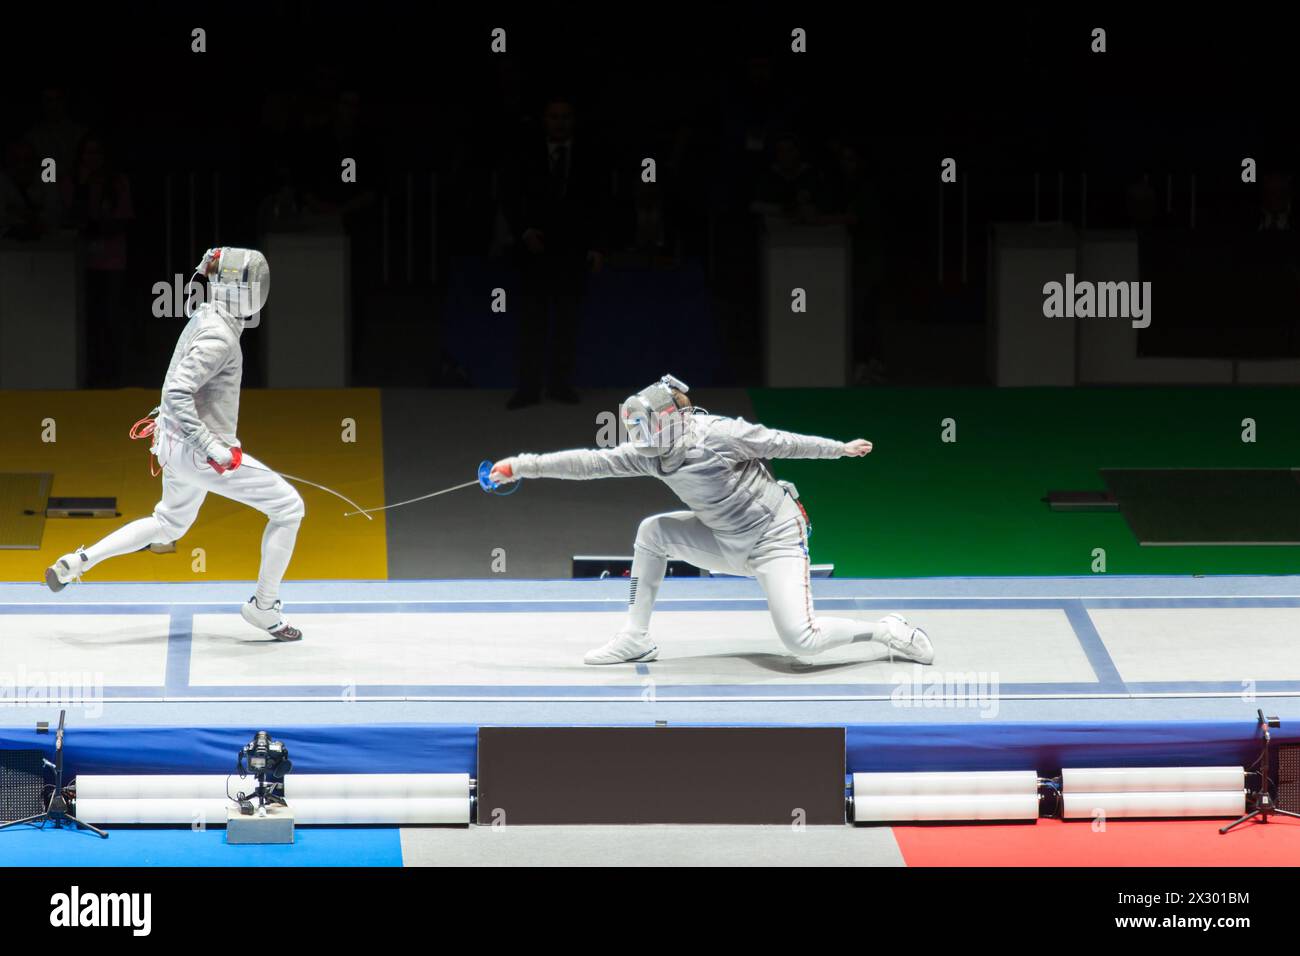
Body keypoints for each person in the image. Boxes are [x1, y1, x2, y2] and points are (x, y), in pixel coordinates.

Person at [490, 375, 934, 665]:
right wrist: (521, 465)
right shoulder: (650, 455)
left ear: (677, 421)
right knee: (653, 532)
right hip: (724, 542)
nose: (644, 439)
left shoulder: (720, 435)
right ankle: (635, 637)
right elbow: (589, 463)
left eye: (652, 428)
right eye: (639, 429)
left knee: (802, 643)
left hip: (774, 541)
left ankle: (886, 631)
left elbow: (782, 442)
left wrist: (838, 448)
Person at [45, 248, 306, 642]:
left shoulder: (206, 313)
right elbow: (176, 392)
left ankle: (79, 561)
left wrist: (208, 264)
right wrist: (210, 446)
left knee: (169, 522)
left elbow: (197, 297)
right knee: (289, 508)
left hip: (170, 444)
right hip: (200, 453)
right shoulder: (219, 336)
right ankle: (263, 607)